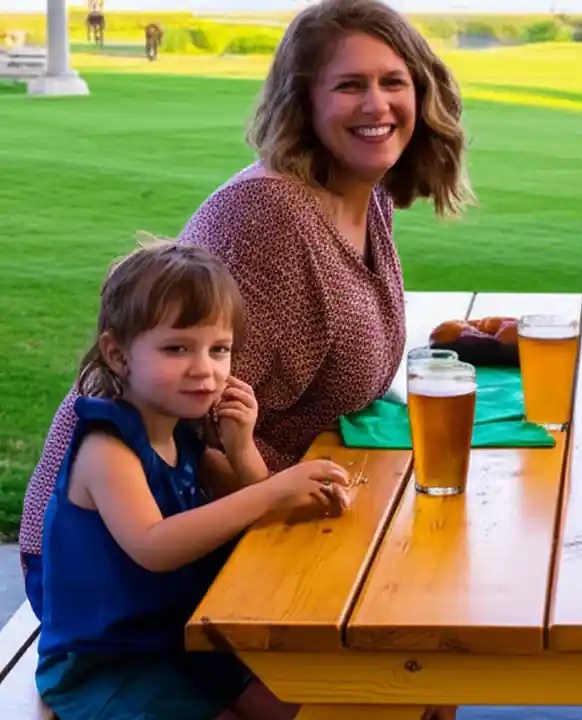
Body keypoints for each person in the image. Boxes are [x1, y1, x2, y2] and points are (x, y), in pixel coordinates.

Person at [20, 0, 473, 620]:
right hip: (116, 565)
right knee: (401, 623)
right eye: (349, 85)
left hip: (260, 503)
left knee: (431, 589)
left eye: (394, 82)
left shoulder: (366, 202)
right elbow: (191, 433)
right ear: (303, 103)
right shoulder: (268, 219)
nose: (377, 105)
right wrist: (290, 495)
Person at [36, 241, 352, 720]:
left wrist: (242, 447)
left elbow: (259, 510)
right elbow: (155, 546)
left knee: (321, 704)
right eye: (177, 348)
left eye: (219, 349)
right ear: (118, 356)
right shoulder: (108, 450)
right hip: (111, 662)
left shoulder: (183, 436)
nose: (204, 369)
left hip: (188, 642)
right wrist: (272, 490)